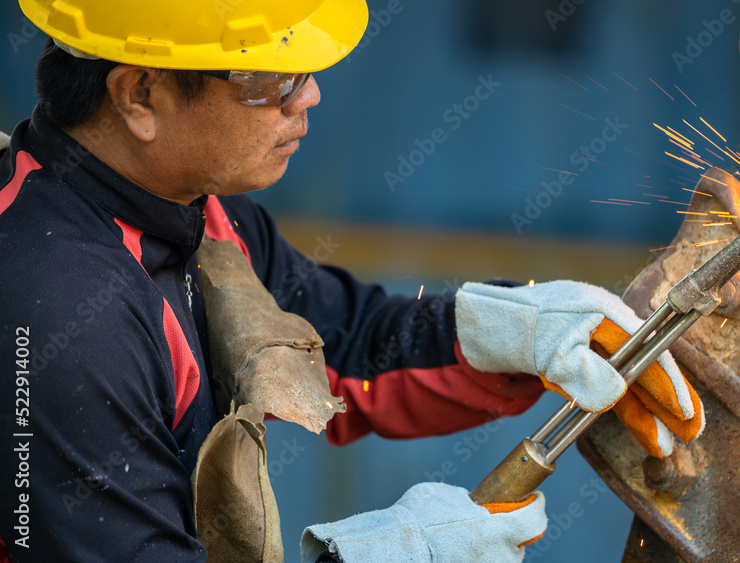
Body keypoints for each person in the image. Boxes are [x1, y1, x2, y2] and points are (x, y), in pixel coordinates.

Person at [0, 1, 703, 561]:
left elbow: (338, 348)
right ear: (139, 93)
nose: (308, 95)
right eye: (269, 80)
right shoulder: (63, 310)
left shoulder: (197, 213)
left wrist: (510, 332)